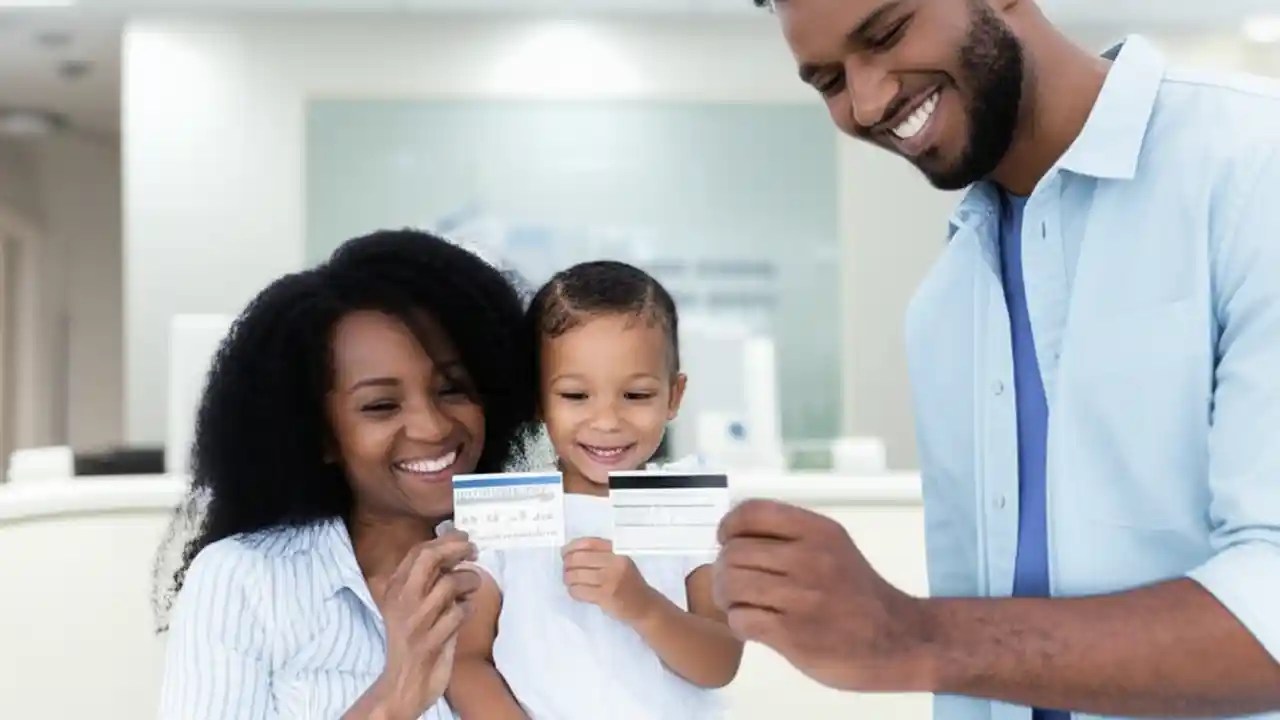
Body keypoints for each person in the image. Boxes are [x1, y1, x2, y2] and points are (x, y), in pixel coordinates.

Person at [715, 1, 1280, 718]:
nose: (867, 100)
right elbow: (977, 660)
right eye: (827, 80)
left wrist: (904, 635)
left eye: (887, 32)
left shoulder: (1257, 167)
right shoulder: (947, 303)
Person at [155, 229, 539, 719]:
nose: (432, 426)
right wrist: (397, 692)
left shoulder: (542, 562)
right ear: (321, 434)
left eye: (453, 388)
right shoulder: (244, 581)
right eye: (381, 405)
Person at [446, 261, 744, 719]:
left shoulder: (685, 504)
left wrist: (641, 605)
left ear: (674, 396)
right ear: (537, 400)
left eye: (636, 395)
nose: (607, 422)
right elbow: (465, 661)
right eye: (575, 396)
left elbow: (720, 663)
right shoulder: (503, 508)